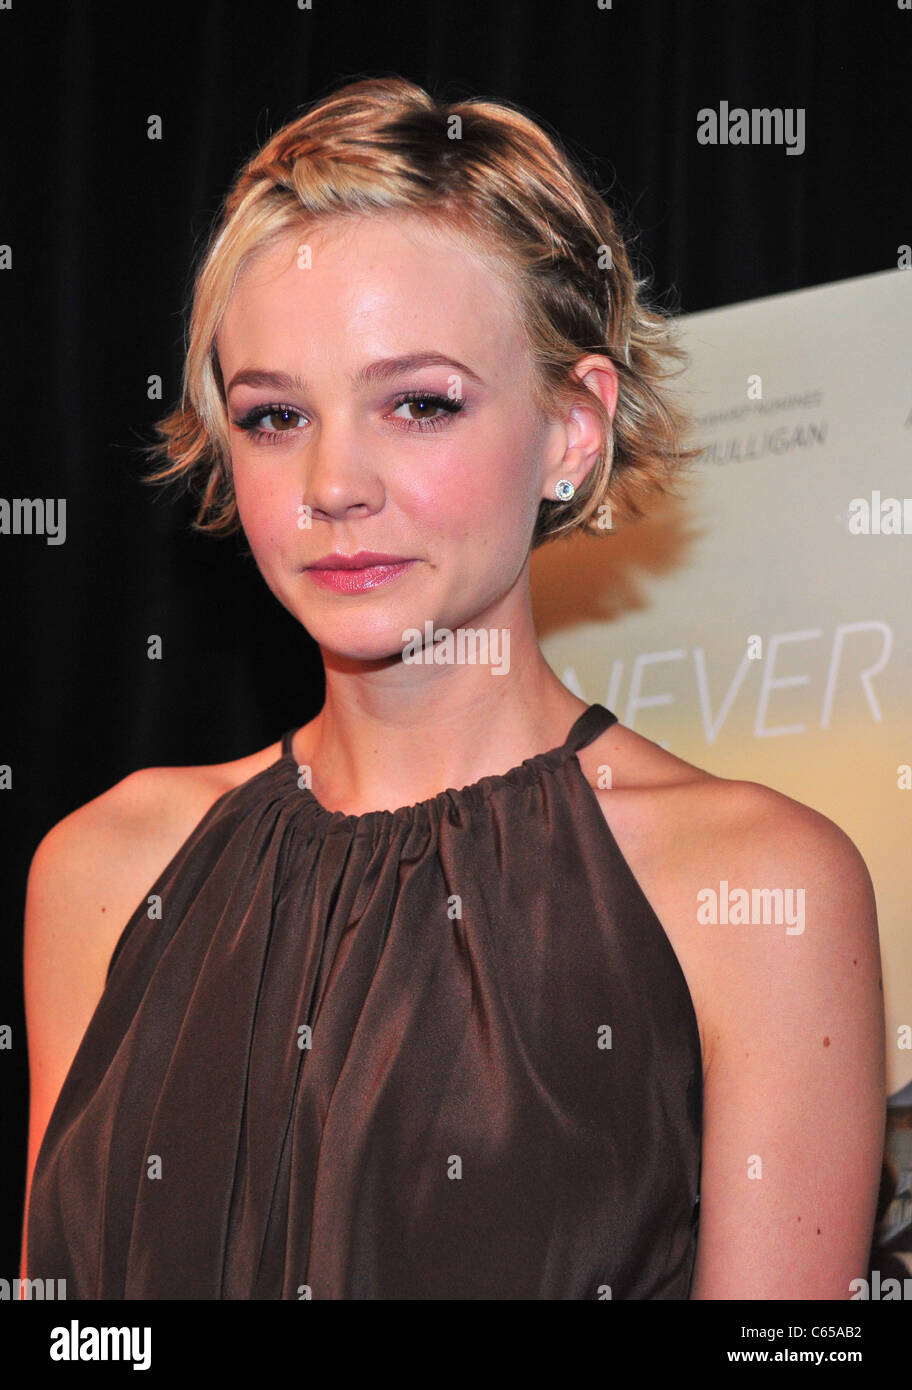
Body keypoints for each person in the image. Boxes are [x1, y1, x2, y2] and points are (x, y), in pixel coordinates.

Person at [21, 76, 885, 1300]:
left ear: (573, 428)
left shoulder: (755, 887)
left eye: (419, 404)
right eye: (273, 417)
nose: (335, 482)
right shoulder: (103, 872)